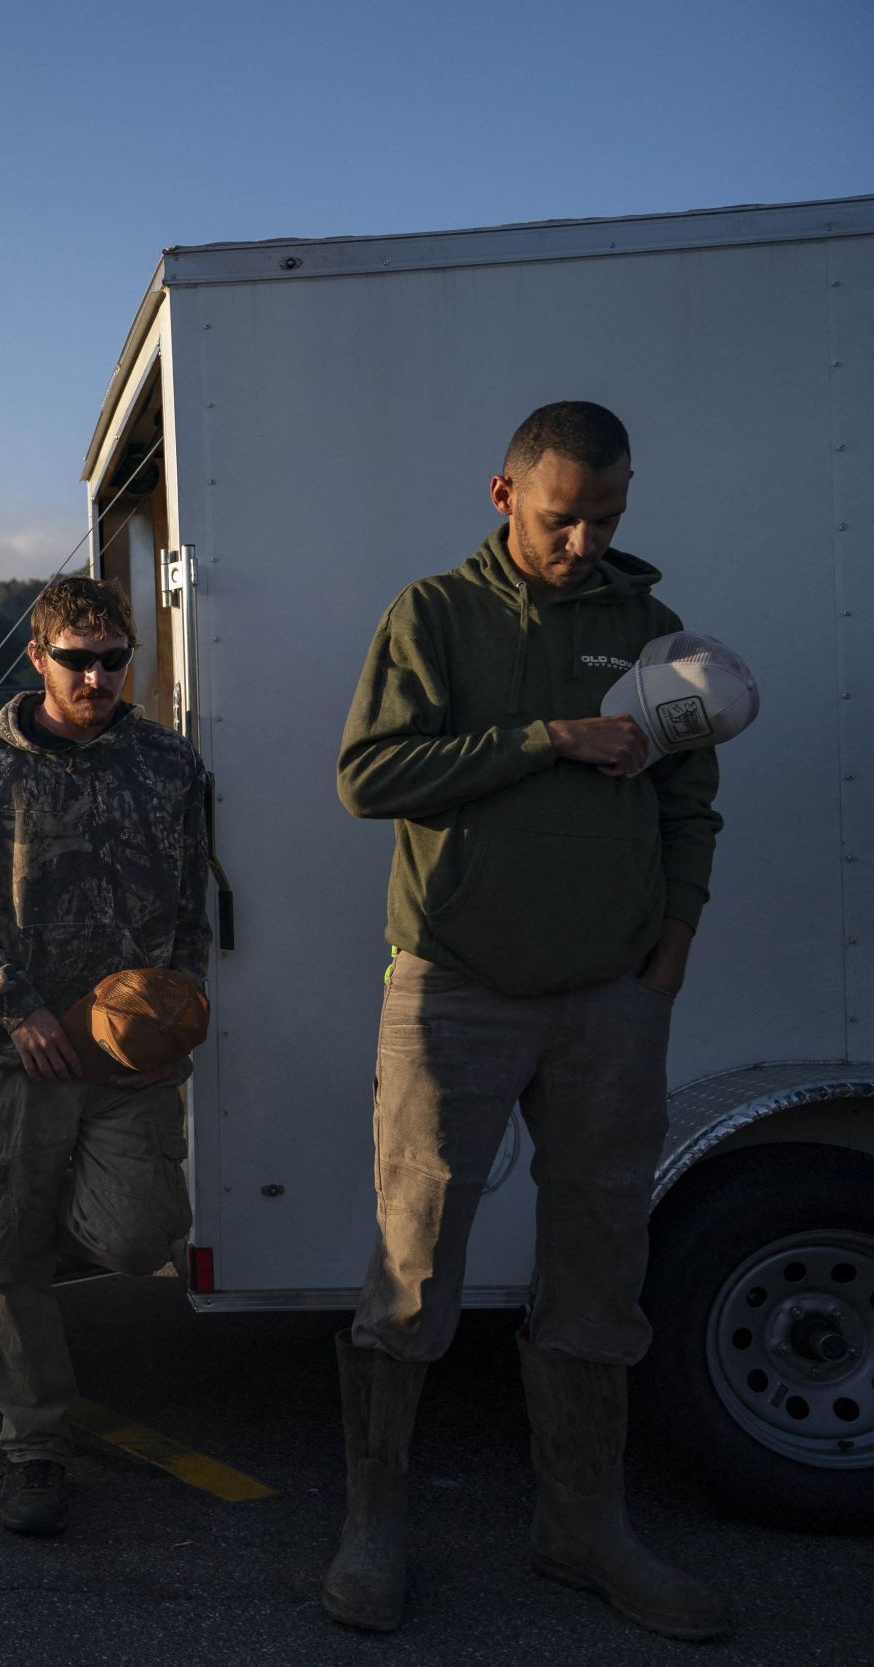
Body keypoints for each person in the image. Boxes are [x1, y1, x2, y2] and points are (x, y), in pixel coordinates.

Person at [325, 401, 728, 1640]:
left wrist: (671, 944)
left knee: (601, 1256)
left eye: (606, 517)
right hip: (451, 983)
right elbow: (368, 776)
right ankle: (374, 1521)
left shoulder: (649, 630)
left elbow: (689, 805)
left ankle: (581, 1526)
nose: (583, 542)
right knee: (413, 1257)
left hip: (609, 997)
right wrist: (547, 736)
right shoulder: (432, 615)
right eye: (563, 518)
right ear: (503, 495)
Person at [0, 574, 210, 1538]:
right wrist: (18, 1009)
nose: (95, 677)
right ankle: (34, 1443)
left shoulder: (171, 766)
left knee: (139, 1234)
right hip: (21, 1055)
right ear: (37, 658)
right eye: (75, 660)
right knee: (2, 1250)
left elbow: (191, 913)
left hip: (129, 1061)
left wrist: (171, 1022)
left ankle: (45, 1248)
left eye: (112, 660)